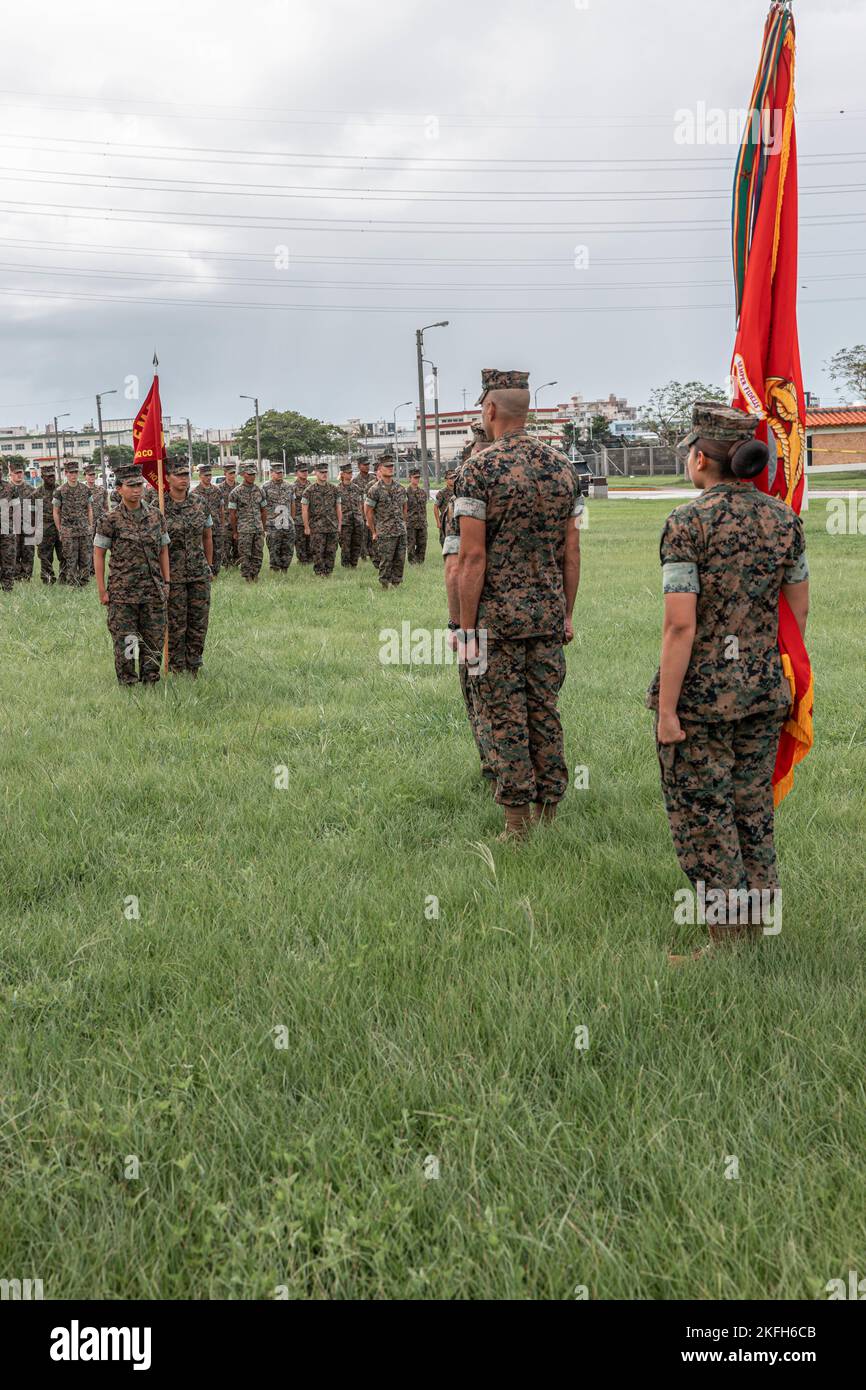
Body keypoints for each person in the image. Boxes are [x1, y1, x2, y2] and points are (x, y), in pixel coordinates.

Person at [646, 401, 810, 962]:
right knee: (752, 809)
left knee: (705, 816)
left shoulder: (687, 523)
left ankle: (726, 942)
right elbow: (798, 615)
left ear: (700, 459)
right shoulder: (784, 519)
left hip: (703, 702)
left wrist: (667, 712)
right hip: (765, 691)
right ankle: (760, 919)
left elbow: (679, 625)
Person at [455, 369, 583, 840]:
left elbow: (472, 557)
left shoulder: (478, 469)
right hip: (548, 614)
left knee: (505, 716)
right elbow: (572, 551)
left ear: (490, 410)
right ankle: (550, 809)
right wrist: (566, 613)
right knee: (544, 710)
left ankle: (516, 822)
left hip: (498, 622)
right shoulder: (561, 467)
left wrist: (466, 630)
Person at [443, 435, 495, 784]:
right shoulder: (544, 480)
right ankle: (545, 791)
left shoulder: (466, 499)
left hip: (483, 618)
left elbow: (456, 567)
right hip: (540, 617)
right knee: (539, 707)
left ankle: (497, 773)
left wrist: (459, 626)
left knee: (483, 700)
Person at [93, 464, 170, 685]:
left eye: (140, 485)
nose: (137, 490)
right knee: (127, 641)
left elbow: (164, 550)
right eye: (131, 485)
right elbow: (99, 555)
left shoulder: (156, 516)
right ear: (119, 489)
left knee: (154, 639)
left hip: (153, 590)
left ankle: (151, 680)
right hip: (123, 593)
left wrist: (167, 581)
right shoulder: (110, 519)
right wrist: (102, 590)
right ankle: (128, 681)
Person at [163, 459, 214, 676]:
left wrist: (209, 566)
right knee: (176, 623)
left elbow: (207, 536)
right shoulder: (159, 505)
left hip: (198, 573)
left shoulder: (200, 503)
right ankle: (175, 667)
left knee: (199, 621)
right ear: (167, 478)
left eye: (186, 474)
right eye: (178, 474)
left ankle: (194, 664)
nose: (184, 479)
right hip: (172, 575)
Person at [365, 453, 407, 589]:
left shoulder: (400, 488)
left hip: (400, 530)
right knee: (386, 561)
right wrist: (374, 531)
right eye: (387, 466)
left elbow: (405, 507)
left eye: (392, 466)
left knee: (400, 560)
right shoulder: (374, 490)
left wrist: (403, 522)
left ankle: (396, 584)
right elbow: (368, 511)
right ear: (380, 469)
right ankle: (384, 585)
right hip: (385, 532)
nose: (390, 468)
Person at [52, 460, 93, 587]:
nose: (73, 475)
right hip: (68, 532)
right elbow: (56, 512)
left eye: (75, 472)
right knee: (71, 560)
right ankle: (72, 585)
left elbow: (89, 509)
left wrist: (90, 526)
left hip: (84, 530)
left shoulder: (85, 489)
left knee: (85, 559)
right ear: (66, 473)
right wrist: (60, 530)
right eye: (71, 473)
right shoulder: (60, 491)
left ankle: (84, 584)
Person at [301, 462, 342, 577]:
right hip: (317, 527)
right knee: (318, 552)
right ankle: (319, 573)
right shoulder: (309, 491)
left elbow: (338, 508)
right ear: (316, 473)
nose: (324, 474)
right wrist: (306, 527)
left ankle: (328, 572)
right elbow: (304, 510)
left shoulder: (334, 489)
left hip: (332, 526)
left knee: (331, 551)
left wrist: (339, 525)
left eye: (325, 472)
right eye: (321, 472)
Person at [228, 463, 267, 582]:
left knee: (258, 553)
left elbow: (263, 511)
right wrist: (235, 531)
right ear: (243, 475)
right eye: (249, 474)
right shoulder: (235, 493)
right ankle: (247, 577)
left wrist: (263, 528)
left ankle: (255, 575)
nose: (252, 477)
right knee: (245, 555)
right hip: (244, 529)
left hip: (258, 528)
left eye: (254, 474)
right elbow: (232, 514)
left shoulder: (260, 491)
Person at [192, 461, 224, 578]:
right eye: (206, 475)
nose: (208, 477)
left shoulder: (217, 490)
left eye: (210, 475)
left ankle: (215, 573)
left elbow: (221, 509)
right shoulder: (195, 493)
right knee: (203, 550)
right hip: (203, 528)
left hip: (216, 526)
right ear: (200, 476)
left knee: (218, 552)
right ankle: (205, 573)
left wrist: (222, 524)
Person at [262, 461, 295, 572]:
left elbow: (292, 503)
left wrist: (292, 519)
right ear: (271, 473)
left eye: (281, 472)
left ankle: (285, 568)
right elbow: (262, 506)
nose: (279, 474)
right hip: (272, 523)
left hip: (287, 522)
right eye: (277, 473)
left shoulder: (289, 486)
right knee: (274, 547)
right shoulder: (265, 487)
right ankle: (274, 568)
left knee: (288, 547)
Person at [34, 463, 63, 583]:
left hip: (61, 529)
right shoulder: (36, 494)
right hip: (44, 531)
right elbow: (31, 516)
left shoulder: (62, 491)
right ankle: (48, 580)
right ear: (42, 477)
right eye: (48, 476)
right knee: (45, 557)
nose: (51, 477)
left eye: (52, 475)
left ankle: (64, 579)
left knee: (65, 555)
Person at [338, 461, 364, 568]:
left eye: (351, 472)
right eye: (348, 473)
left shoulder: (357, 488)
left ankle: (354, 564)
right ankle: (345, 565)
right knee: (345, 545)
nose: (350, 474)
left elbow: (360, 504)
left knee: (356, 544)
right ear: (343, 474)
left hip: (357, 521)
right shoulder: (337, 489)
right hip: (345, 522)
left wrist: (361, 517)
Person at [84, 464, 106, 576]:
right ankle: (90, 570)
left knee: (100, 547)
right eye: (89, 475)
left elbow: (106, 507)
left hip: (100, 523)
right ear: (85, 476)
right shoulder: (82, 490)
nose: (92, 477)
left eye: (93, 474)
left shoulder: (101, 490)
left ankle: (99, 569)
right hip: (87, 523)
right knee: (89, 547)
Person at [352, 455, 375, 560]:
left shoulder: (373, 479)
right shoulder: (355, 481)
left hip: (373, 511)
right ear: (359, 466)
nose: (367, 466)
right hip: (360, 512)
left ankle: (373, 553)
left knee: (373, 534)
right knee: (363, 535)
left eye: (368, 465)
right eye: (364, 465)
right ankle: (363, 556)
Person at [405, 466, 429, 564]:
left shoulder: (422, 492)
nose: (417, 479)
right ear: (410, 478)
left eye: (418, 477)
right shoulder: (406, 492)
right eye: (415, 477)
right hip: (411, 523)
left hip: (422, 522)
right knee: (411, 544)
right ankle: (412, 563)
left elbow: (424, 508)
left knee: (422, 543)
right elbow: (404, 508)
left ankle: (420, 562)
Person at [292, 465, 311, 565]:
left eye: (306, 471)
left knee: (312, 542)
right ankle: (302, 561)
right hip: (298, 519)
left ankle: (311, 560)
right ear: (296, 473)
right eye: (302, 471)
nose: (305, 473)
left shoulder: (312, 485)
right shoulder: (292, 487)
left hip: (311, 519)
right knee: (300, 542)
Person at [434, 468, 457, 550]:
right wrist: (438, 522)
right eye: (451, 478)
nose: (453, 480)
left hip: (457, 521)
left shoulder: (458, 490)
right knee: (445, 543)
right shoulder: (442, 493)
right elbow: (436, 506)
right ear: (446, 480)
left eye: (454, 477)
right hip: (445, 522)